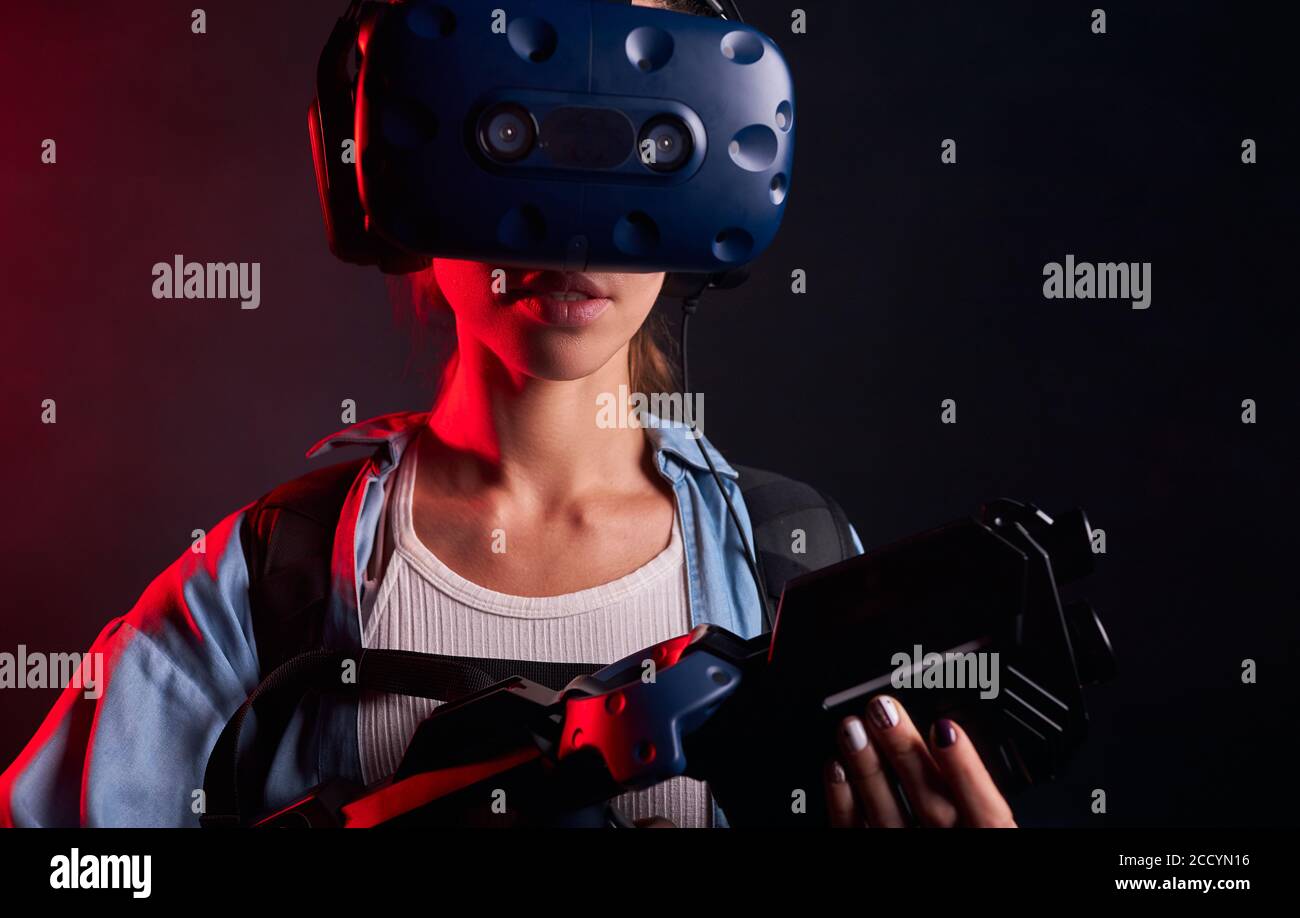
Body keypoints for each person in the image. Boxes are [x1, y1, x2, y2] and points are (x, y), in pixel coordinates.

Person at [0, 0, 1014, 829]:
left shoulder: (795, 568)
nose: (572, 222)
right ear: (388, 166)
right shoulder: (270, 586)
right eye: (510, 134)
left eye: (643, 137)